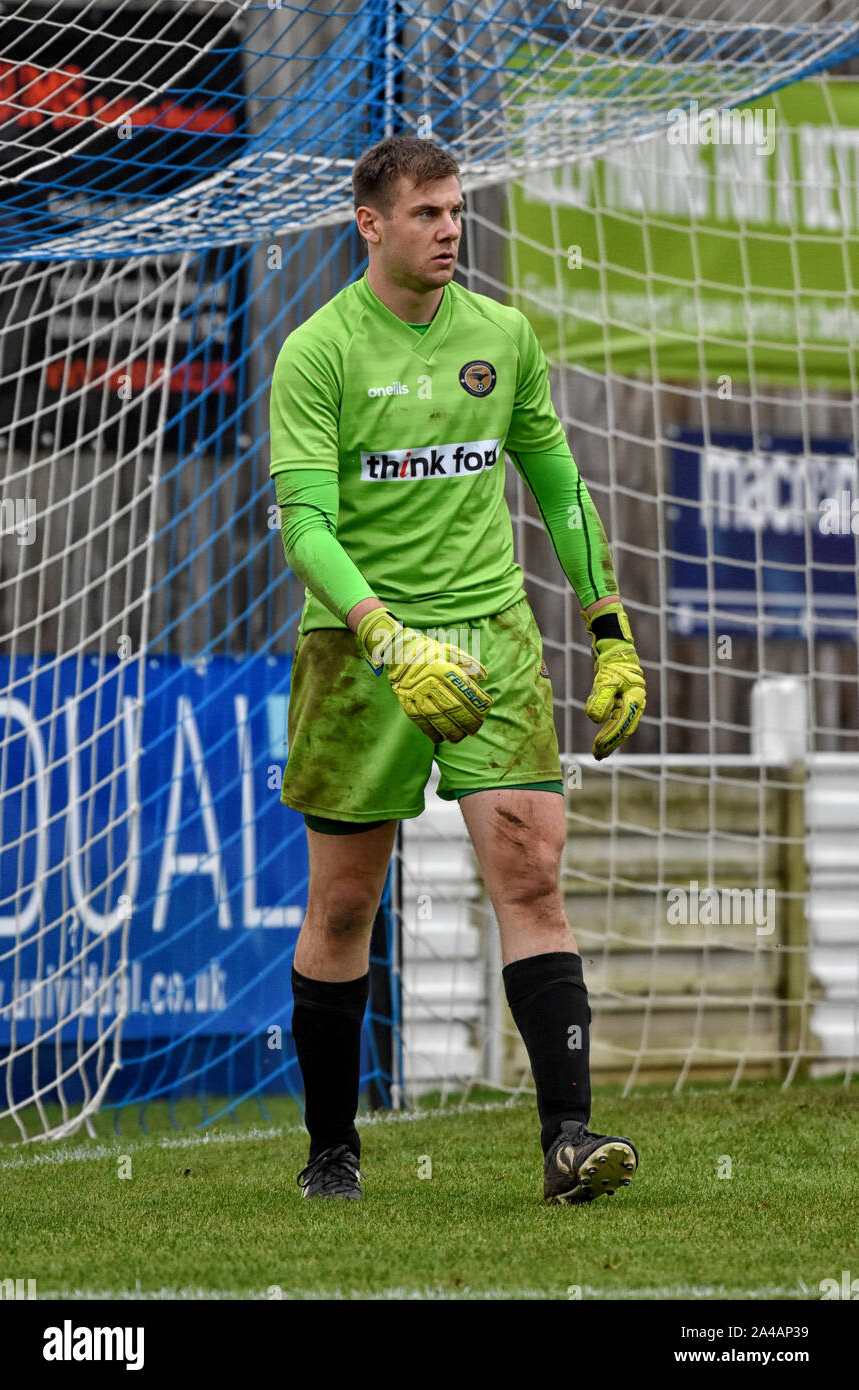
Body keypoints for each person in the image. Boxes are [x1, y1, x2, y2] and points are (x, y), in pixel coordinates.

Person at [269, 135, 646, 1203]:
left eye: (456, 210)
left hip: (489, 631)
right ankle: (332, 1152)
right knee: (343, 908)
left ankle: (566, 1144)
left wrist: (607, 627)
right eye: (427, 213)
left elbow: (558, 488)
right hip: (360, 650)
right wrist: (388, 638)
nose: (449, 230)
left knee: (529, 872)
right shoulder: (318, 351)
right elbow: (304, 527)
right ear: (370, 225)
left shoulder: (501, 335)